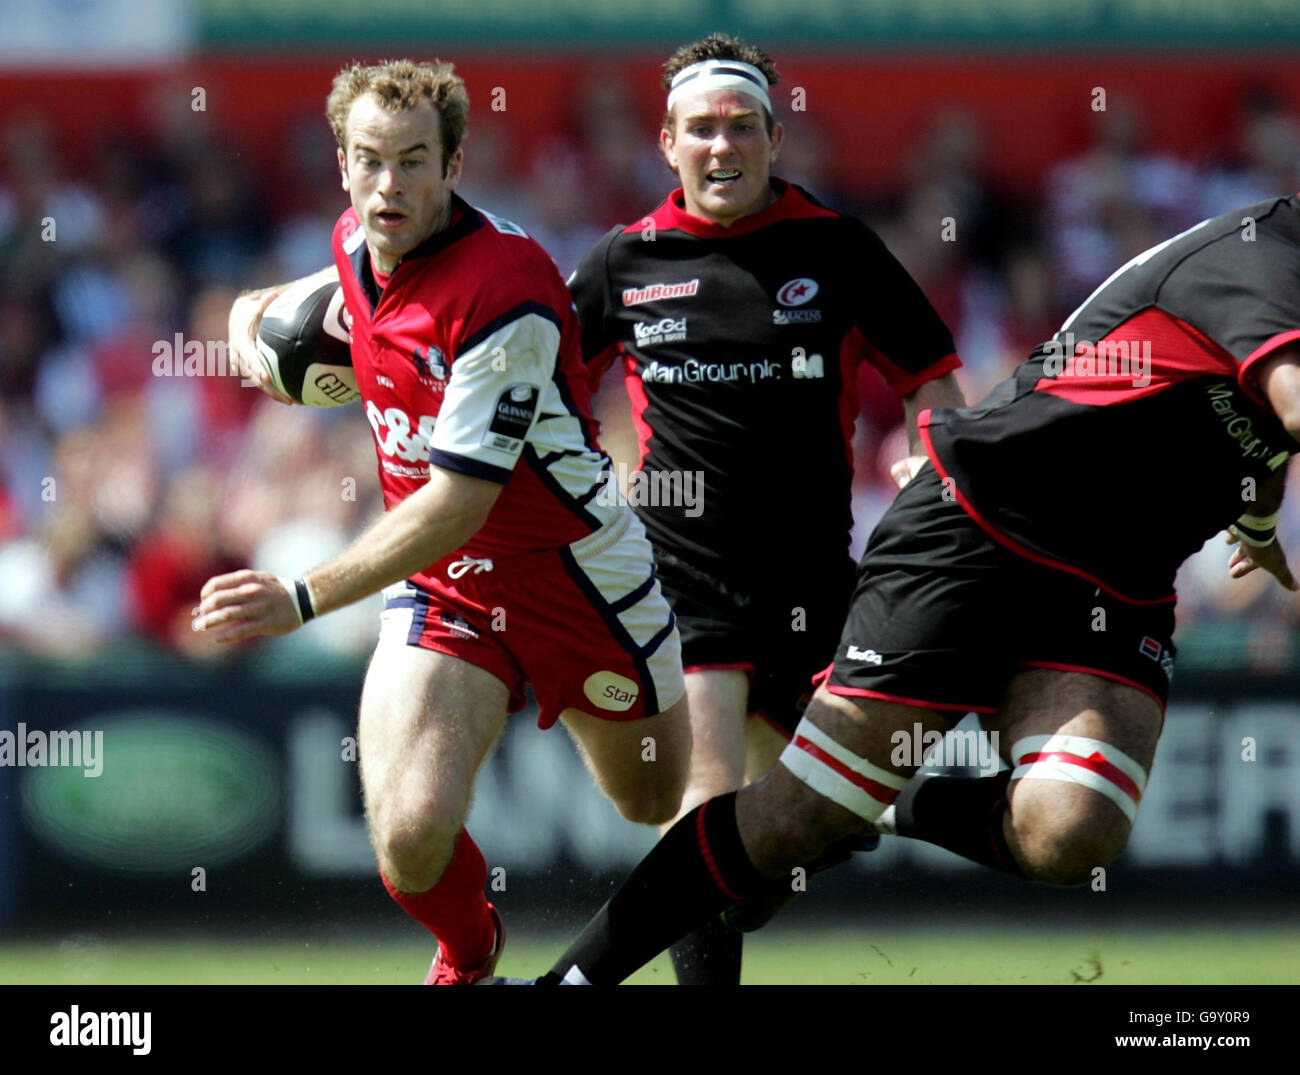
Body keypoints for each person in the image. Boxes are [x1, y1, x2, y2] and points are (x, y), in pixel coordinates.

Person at [515, 192, 1300, 985]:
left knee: (1074, 831)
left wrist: (1260, 529)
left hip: (1116, 586)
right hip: (983, 529)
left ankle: (892, 796)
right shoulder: (1263, 254)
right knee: (789, 817)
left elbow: (1256, 421)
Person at [194, 59, 692, 985]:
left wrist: (302, 596)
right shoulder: (351, 240)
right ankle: (472, 960)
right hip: (444, 587)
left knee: (653, 796)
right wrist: (250, 337)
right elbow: (257, 311)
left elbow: (461, 502)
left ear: (454, 163)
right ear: (342, 164)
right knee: (411, 837)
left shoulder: (508, 290)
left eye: (415, 161)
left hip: (577, 574)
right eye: (371, 160)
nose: (391, 186)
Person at [566, 32, 967, 984]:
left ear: (772, 138)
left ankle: (798, 849)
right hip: (681, 576)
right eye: (699, 128)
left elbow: (933, 378)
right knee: (704, 798)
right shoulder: (624, 261)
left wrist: (930, 458)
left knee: (801, 823)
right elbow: (540, 383)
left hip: (814, 577)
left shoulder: (836, 247)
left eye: (740, 125)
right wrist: (580, 486)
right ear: (667, 145)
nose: (720, 144)